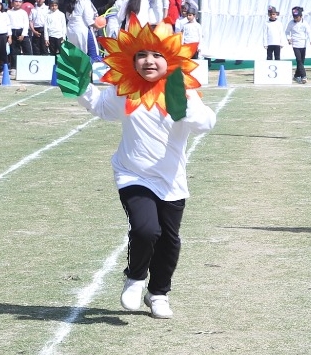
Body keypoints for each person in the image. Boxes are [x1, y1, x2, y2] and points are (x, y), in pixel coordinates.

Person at [74, 23, 216, 319]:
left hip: (170, 179)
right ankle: (136, 277)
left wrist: (183, 107)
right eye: (141, 55)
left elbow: (205, 124)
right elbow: (101, 108)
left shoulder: (182, 90)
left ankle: (158, 293)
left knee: (169, 240)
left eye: (156, 55)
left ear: (171, 60)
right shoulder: (125, 90)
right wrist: (80, 85)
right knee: (145, 228)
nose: (148, 61)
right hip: (132, 174)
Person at [287, 7, 311, 82]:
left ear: (301, 16)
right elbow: (287, 32)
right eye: (294, 17)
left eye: (297, 17)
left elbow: (309, 32)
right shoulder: (291, 23)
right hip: (295, 44)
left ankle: (296, 75)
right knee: (299, 60)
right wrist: (289, 38)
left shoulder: (305, 23)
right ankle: (304, 76)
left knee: (301, 61)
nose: (295, 18)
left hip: (303, 44)